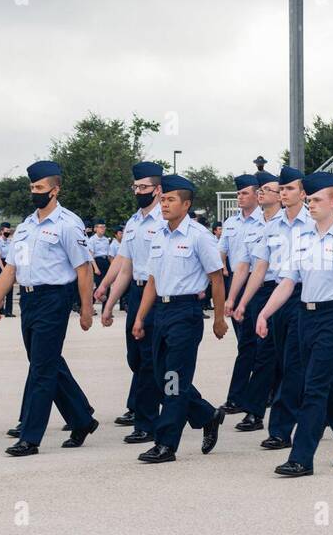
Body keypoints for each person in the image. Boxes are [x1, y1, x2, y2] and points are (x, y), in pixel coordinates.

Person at [256, 172, 333, 477]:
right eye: (309, 199)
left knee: (313, 390)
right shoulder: (300, 239)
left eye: (316, 199)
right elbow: (287, 282)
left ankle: (301, 457)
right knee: (321, 387)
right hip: (304, 317)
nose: (310, 204)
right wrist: (264, 313)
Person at [0, 161, 97, 456]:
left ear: (55, 189)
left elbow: (84, 270)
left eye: (40, 188)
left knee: (41, 369)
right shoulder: (25, 227)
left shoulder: (68, 224)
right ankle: (82, 418)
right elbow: (11, 268)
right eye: (32, 188)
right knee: (46, 362)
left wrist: (86, 309)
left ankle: (30, 436)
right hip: (30, 299)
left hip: (54, 298)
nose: (35, 192)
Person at [125, 174, 228, 463]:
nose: (165, 204)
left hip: (186, 313)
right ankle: (207, 415)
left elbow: (217, 280)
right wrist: (140, 317)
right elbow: (153, 281)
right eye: (164, 199)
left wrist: (219, 318)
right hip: (161, 312)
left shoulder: (199, 236)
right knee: (161, 377)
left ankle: (165, 443)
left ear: (186, 204)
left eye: (171, 200)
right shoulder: (159, 236)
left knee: (173, 380)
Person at [234, 167, 312, 450]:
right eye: (282, 189)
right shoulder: (272, 227)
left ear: (303, 193)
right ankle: (331, 418)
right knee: (278, 360)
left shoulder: (314, 223)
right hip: (277, 297)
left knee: (292, 365)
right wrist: (243, 302)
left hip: (306, 297)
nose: (284, 193)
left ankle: (279, 429)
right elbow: (259, 268)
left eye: (290, 189)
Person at [97, 162, 164, 443]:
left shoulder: (164, 219)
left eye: (143, 187)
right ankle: (200, 412)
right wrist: (110, 301)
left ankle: (146, 423)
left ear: (158, 190)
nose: (138, 192)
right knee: (136, 359)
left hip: (158, 294)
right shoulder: (134, 221)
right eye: (135, 187)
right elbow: (125, 266)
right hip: (135, 294)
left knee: (150, 361)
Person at [224, 171, 282, 432]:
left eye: (265, 189)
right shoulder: (255, 226)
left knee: (285, 355)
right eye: (259, 190)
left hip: (286, 290)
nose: (260, 193)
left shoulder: (291, 223)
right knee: (260, 351)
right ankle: (255, 410)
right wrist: (236, 300)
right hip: (259, 290)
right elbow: (245, 266)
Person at [219, 174, 266, 414]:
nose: (240, 197)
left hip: (261, 287)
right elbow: (222, 252)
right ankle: (241, 396)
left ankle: (249, 395)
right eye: (238, 193)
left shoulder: (266, 220)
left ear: (257, 194)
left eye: (244, 193)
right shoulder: (231, 222)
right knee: (246, 344)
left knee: (259, 345)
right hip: (236, 285)